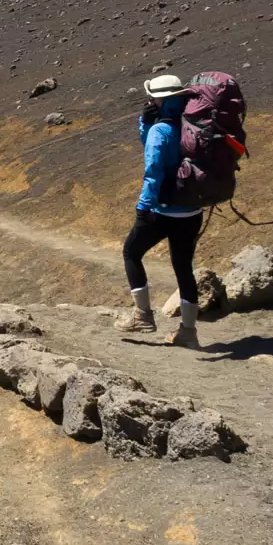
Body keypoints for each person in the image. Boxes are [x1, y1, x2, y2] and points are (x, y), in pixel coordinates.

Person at [114, 74, 204, 349]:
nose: (149, 100)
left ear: (160, 100)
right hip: (192, 210)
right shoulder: (193, 125)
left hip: (162, 211)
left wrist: (143, 205)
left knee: (131, 252)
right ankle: (188, 331)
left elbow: (153, 168)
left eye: (152, 97)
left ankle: (143, 315)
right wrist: (146, 122)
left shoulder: (160, 131)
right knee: (183, 268)